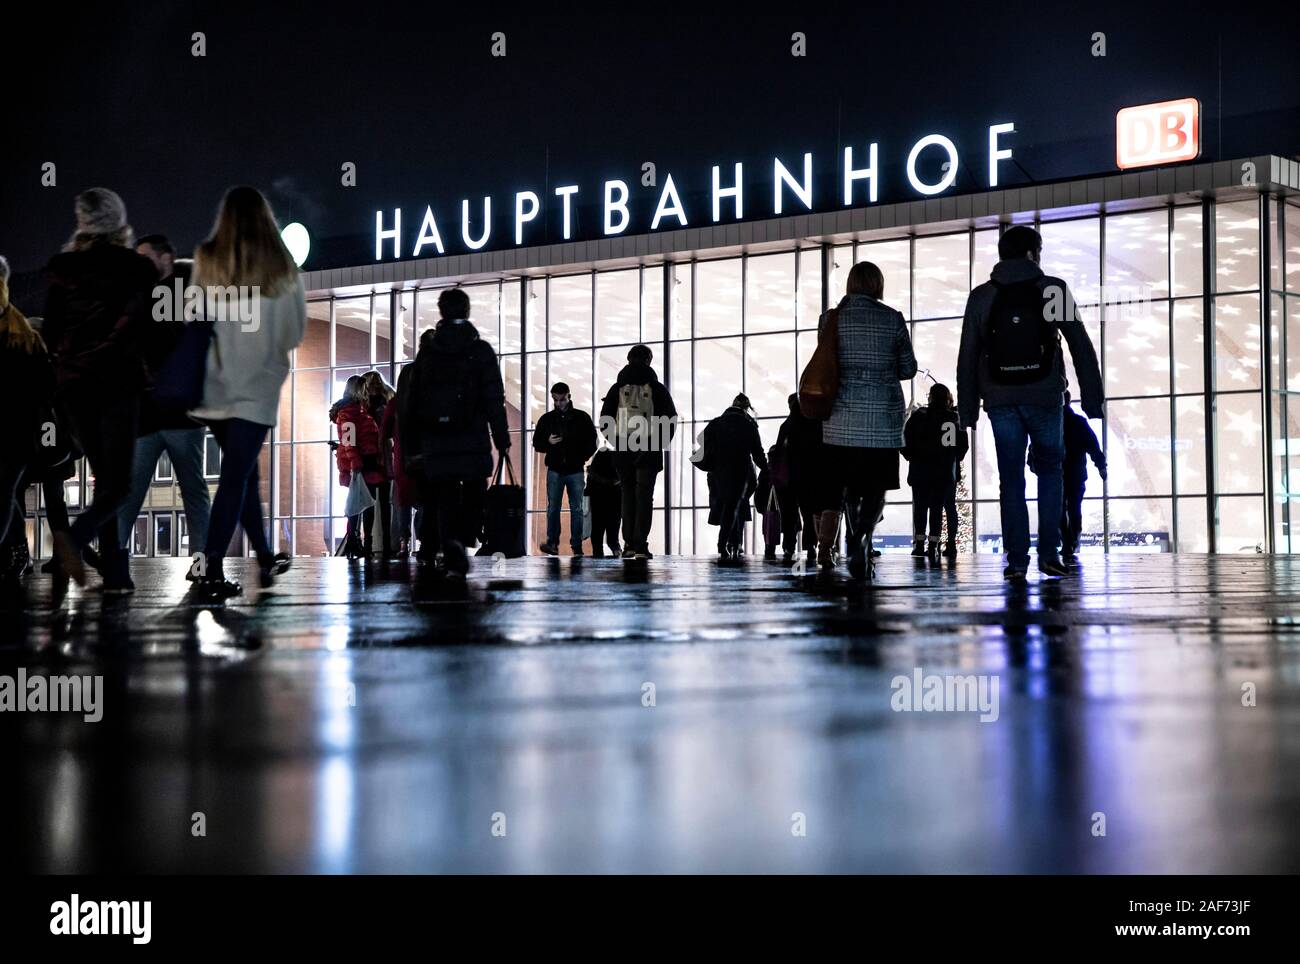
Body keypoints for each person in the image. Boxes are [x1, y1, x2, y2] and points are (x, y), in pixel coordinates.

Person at [956, 225, 1103, 581]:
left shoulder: (981, 296)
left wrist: (967, 409)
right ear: (1033, 253)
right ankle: (1050, 554)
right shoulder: (1052, 289)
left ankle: (1017, 560)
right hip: (1044, 395)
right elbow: (1079, 344)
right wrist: (1093, 400)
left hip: (1000, 398)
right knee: (1051, 470)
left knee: (1011, 479)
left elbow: (969, 354)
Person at [188, 186, 304, 598]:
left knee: (243, 474)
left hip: (216, 389)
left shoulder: (207, 260)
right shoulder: (282, 267)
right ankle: (211, 565)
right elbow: (295, 333)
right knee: (237, 476)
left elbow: (195, 320)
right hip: (258, 389)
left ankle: (266, 557)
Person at [43, 188, 158, 592]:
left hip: (75, 389)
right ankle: (72, 542)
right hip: (118, 384)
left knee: (106, 480)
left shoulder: (62, 268)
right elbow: (146, 328)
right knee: (118, 486)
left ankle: (116, 574)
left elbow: (52, 332)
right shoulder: (136, 268)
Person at [397, 287, 510, 581]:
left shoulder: (429, 353)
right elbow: (493, 397)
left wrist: (412, 445)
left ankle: (451, 549)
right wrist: (502, 437)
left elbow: (412, 401)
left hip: (437, 439)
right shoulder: (480, 351)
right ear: (467, 311)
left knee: (444, 496)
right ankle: (462, 538)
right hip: (471, 436)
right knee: (475, 491)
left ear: (442, 312)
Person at [819, 261, 917, 581]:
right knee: (876, 485)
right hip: (882, 419)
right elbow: (907, 369)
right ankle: (862, 534)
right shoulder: (892, 319)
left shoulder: (830, 320)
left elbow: (826, 364)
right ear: (878, 285)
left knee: (845, 485)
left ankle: (850, 533)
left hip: (840, 419)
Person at [116, 234, 211, 561]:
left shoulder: (188, 292)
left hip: (182, 415)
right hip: (149, 415)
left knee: (192, 490)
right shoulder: (139, 297)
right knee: (130, 492)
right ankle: (114, 557)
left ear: (165, 257)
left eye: (145, 257)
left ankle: (202, 560)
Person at [0, 257, 57, 583]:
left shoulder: (21, 330)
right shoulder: (24, 330)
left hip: (14, 432)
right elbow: (46, 385)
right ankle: (19, 550)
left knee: (6, 492)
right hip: (20, 431)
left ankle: (17, 551)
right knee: (7, 492)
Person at [598, 344, 677, 559]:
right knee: (644, 497)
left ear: (628, 359)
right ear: (648, 361)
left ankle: (628, 545)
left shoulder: (617, 388)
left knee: (627, 496)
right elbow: (670, 419)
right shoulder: (657, 388)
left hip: (624, 450)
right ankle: (641, 545)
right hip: (648, 451)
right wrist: (657, 443)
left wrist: (618, 442)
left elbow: (605, 421)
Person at [1030, 390, 1106, 564]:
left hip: (1056, 473)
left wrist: (1033, 464)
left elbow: (1035, 446)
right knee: (1074, 507)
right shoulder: (1078, 422)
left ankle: (1068, 540)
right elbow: (1092, 445)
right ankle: (1072, 539)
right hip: (1076, 473)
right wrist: (1101, 465)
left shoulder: (1049, 422)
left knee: (1059, 509)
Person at [903, 382, 968, 561]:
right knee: (940, 507)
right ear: (947, 398)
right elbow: (962, 446)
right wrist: (953, 459)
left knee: (920, 507)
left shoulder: (918, 416)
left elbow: (905, 439)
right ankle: (935, 544)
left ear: (930, 397)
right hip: (945, 470)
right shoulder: (954, 418)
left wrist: (911, 456)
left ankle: (919, 544)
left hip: (920, 469)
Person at [534, 381, 598, 556]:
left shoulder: (550, 419)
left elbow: (592, 442)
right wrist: (548, 443)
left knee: (559, 507)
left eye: (561, 399)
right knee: (571, 508)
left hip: (564, 469)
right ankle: (572, 545)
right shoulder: (580, 417)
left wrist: (548, 444)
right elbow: (537, 442)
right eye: (556, 400)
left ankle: (558, 543)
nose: (558, 403)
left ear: (568, 396)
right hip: (568, 469)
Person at [702, 394, 767, 564]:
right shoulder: (749, 425)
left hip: (717, 473)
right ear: (746, 408)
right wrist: (767, 470)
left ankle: (728, 543)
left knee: (726, 506)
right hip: (740, 472)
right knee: (734, 506)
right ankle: (729, 543)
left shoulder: (715, 423)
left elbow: (703, 446)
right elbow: (758, 453)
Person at [775, 393, 833, 567]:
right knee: (809, 514)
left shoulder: (787, 425)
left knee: (789, 514)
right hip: (811, 476)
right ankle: (811, 546)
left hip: (791, 478)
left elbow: (779, 451)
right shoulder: (815, 424)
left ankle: (789, 547)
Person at [332, 374, 384, 560]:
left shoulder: (356, 410)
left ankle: (360, 542)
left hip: (366, 463)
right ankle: (358, 542)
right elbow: (349, 442)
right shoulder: (349, 412)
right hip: (361, 465)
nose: (367, 392)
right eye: (364, 389)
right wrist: (355, 464)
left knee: (363, 504)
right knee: (361, 505)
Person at [378, 374, 419, 560]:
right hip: (424, 458)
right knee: (425, 500)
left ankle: (404, 542)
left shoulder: (395, 404)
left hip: (402, 461)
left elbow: (384, 432)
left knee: (404, 502)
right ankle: (425, 539)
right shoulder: (425, 400)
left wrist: (385, 456)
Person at [362, 370, 396, 557]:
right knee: (385, 504)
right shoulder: (388, 404)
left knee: (368, 504)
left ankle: (368, 544)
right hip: (385, 457)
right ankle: (387, 543)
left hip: (369, 458)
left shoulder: (363, 408)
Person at [585, 445, 621, 558]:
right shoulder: (617, 476)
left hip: (597, 506)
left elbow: (588, 491)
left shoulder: (592, 474)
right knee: (613, 533)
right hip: (614, 506)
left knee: (597, 531)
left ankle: (597, 552)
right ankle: (616, 550)